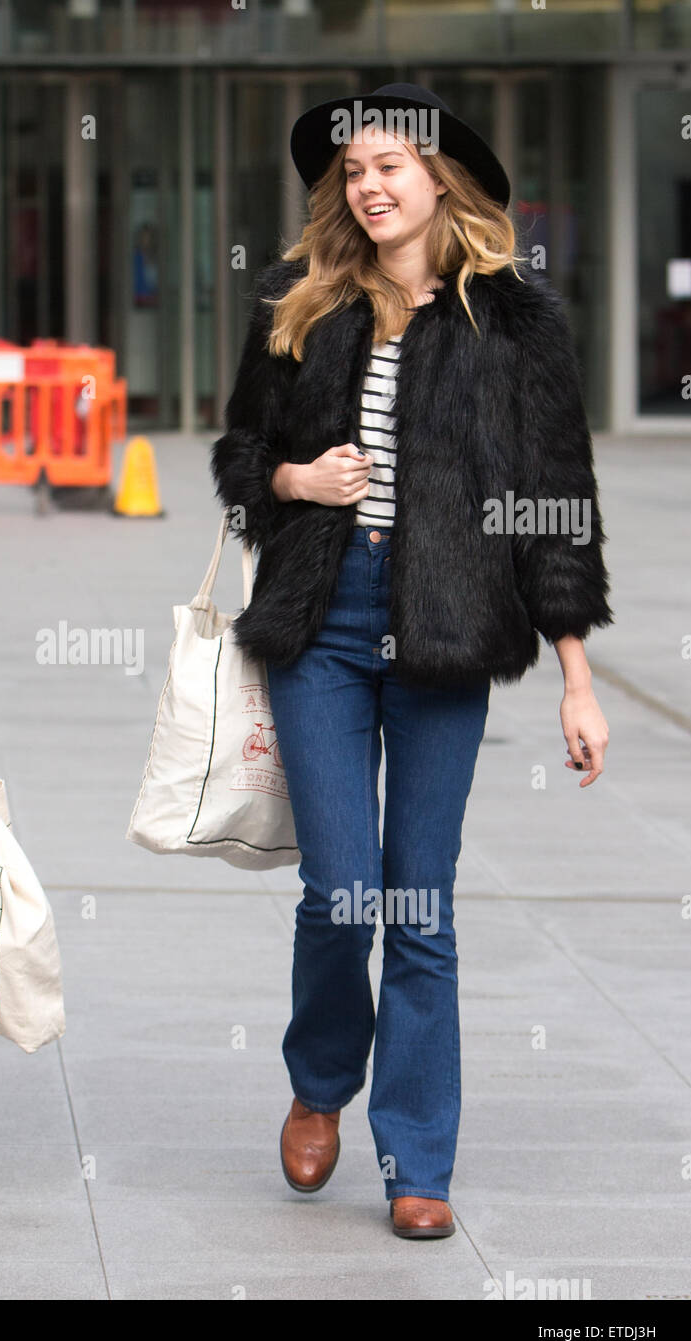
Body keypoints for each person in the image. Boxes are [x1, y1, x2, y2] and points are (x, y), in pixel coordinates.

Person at [210, 85, 613, 1239]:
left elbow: (556, 505)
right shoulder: (299, 306)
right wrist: (293, 481)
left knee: (418, 906)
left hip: (446, 632)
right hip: (320, 629)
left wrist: (575, 676)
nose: (369, 185)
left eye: (390, 165)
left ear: (442, 181)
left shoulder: (513, 323)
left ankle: (417, 1155)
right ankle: (319, 1077)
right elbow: (239, 451)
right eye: (352, 172)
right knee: (341, 891)